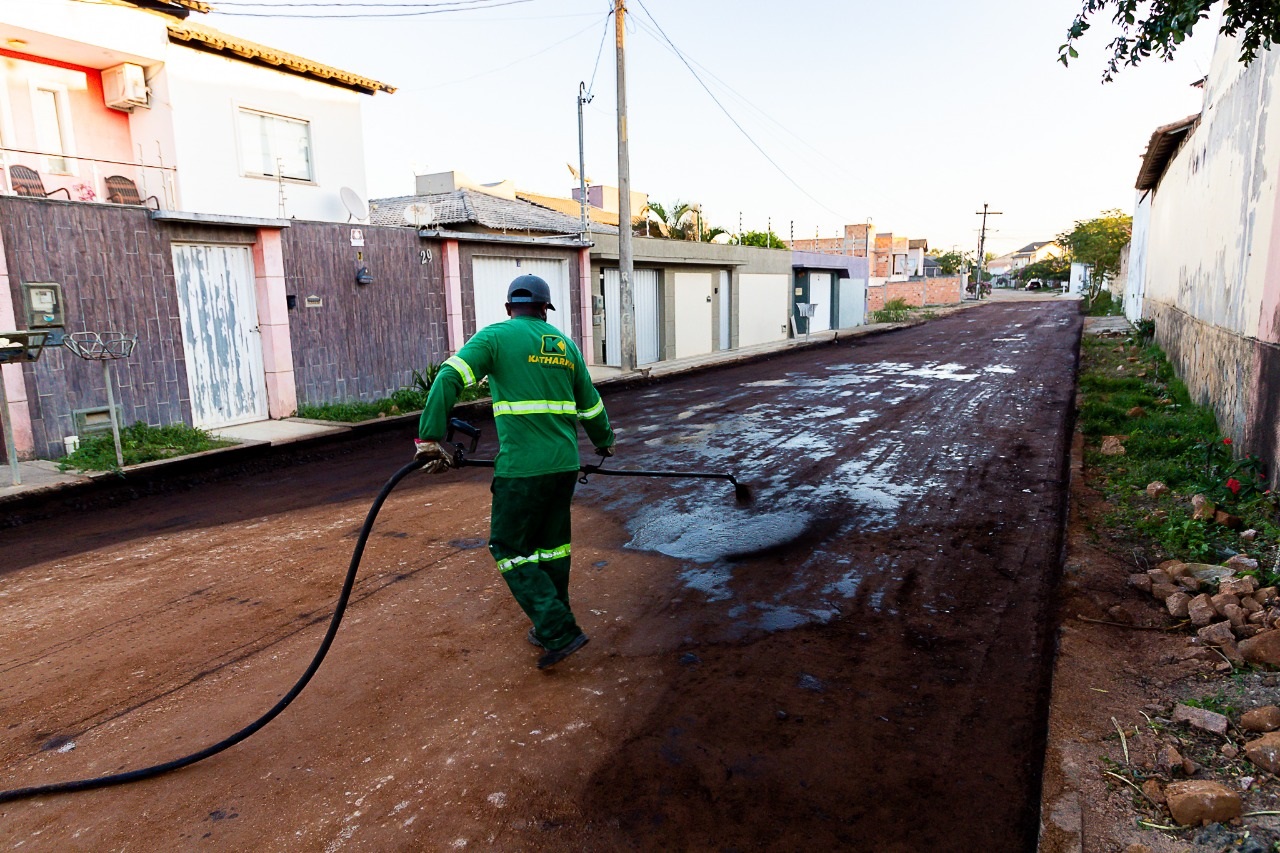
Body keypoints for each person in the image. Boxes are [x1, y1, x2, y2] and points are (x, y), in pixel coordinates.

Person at [414, 274, 615, 670]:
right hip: (563, 467)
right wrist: (604, 442)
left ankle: (558, 628)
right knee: (552, 547)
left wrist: (429, 438)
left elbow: (449, 377)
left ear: (510, 308)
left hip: (522, 470)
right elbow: (590, 406)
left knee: (508, 547)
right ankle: (549, 627)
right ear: (545, 309)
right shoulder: (565, 346)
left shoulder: (495, 338)